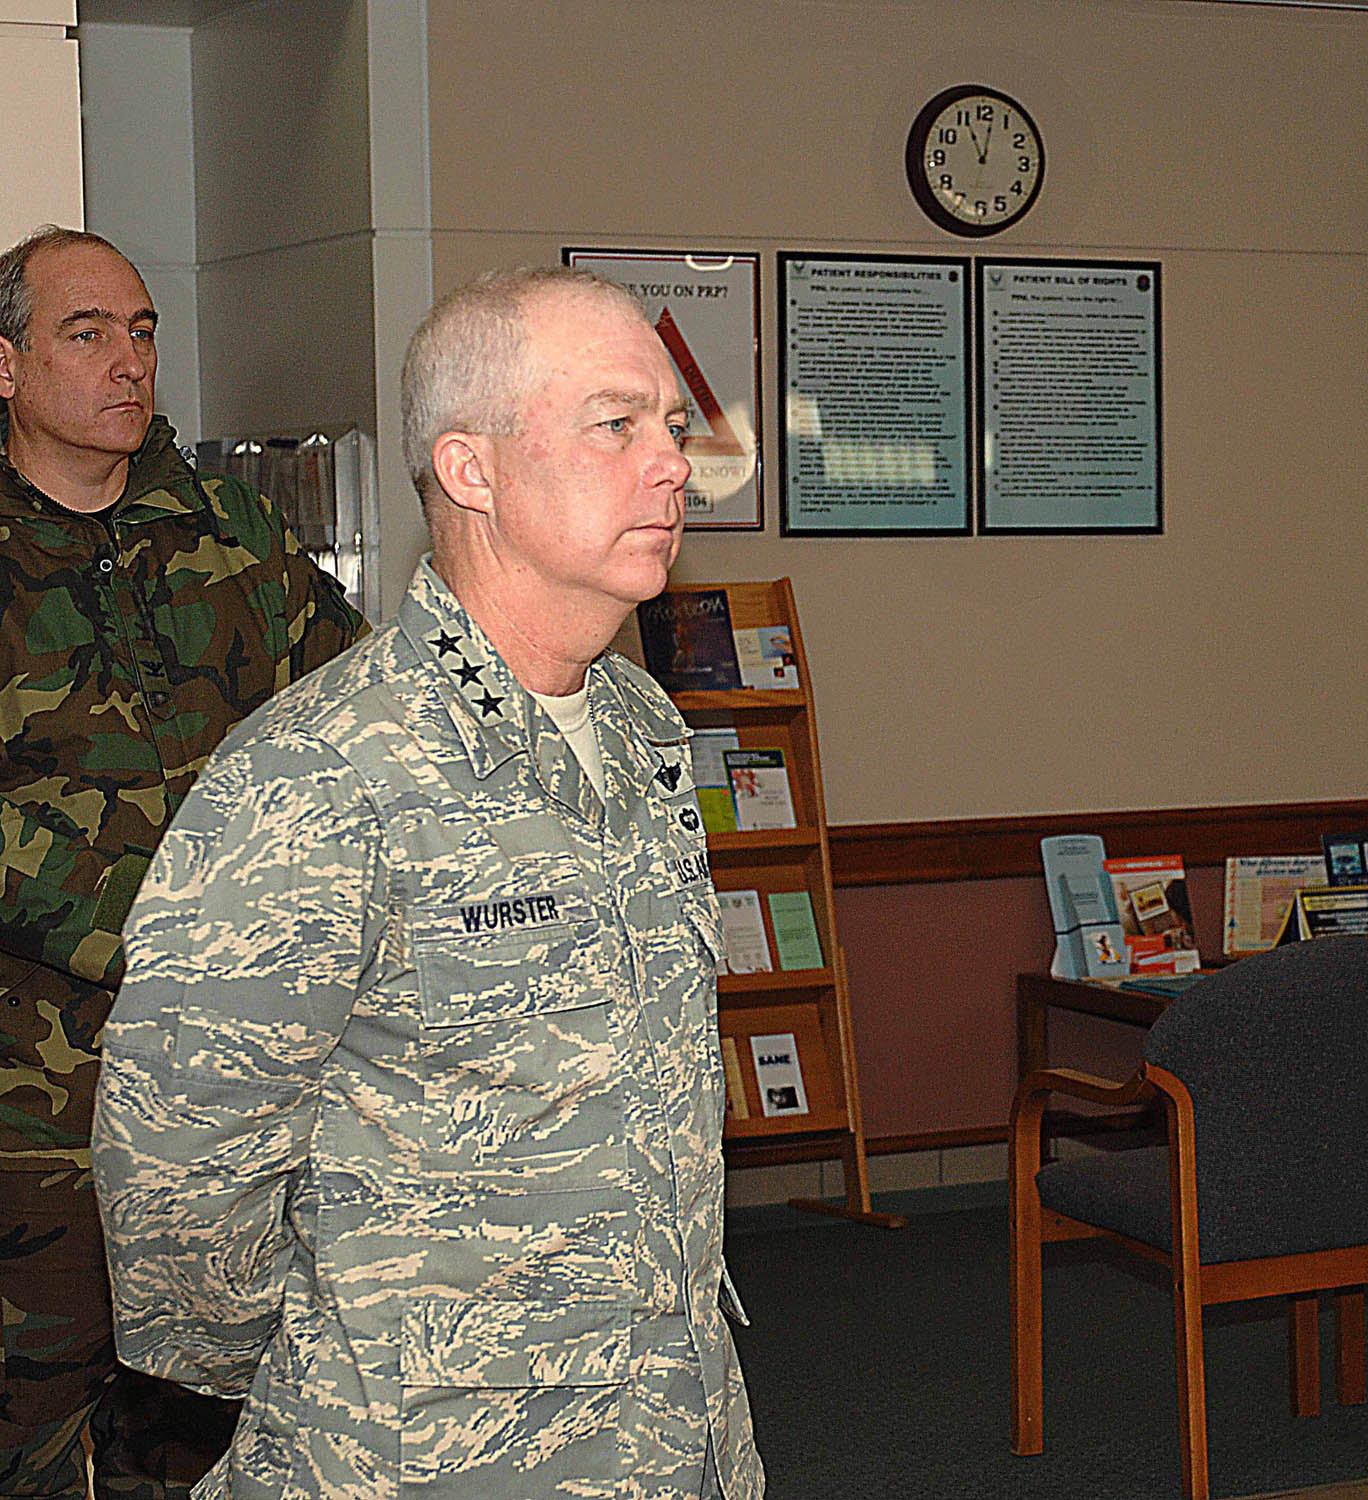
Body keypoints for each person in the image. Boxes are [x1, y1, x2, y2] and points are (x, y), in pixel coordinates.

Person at [89, 266, 761, 1498]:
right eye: (616, 425)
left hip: (671, 1432)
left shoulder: (642, 733)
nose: (672, 462)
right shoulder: (321, 774)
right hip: (425, 1460)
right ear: (472, 471)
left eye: (672, 427)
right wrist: (329, 1369)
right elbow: (179, 1170)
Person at [0, 226, 363, 1500]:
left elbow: (352, 708)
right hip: (35, 1090)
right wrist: (151, 928)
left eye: (143, 331)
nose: (127, 361)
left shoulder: (224, 527)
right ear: (5, 365)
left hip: (228, 1077)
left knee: (211, 1412)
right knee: (36, 1415)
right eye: (85, 333)